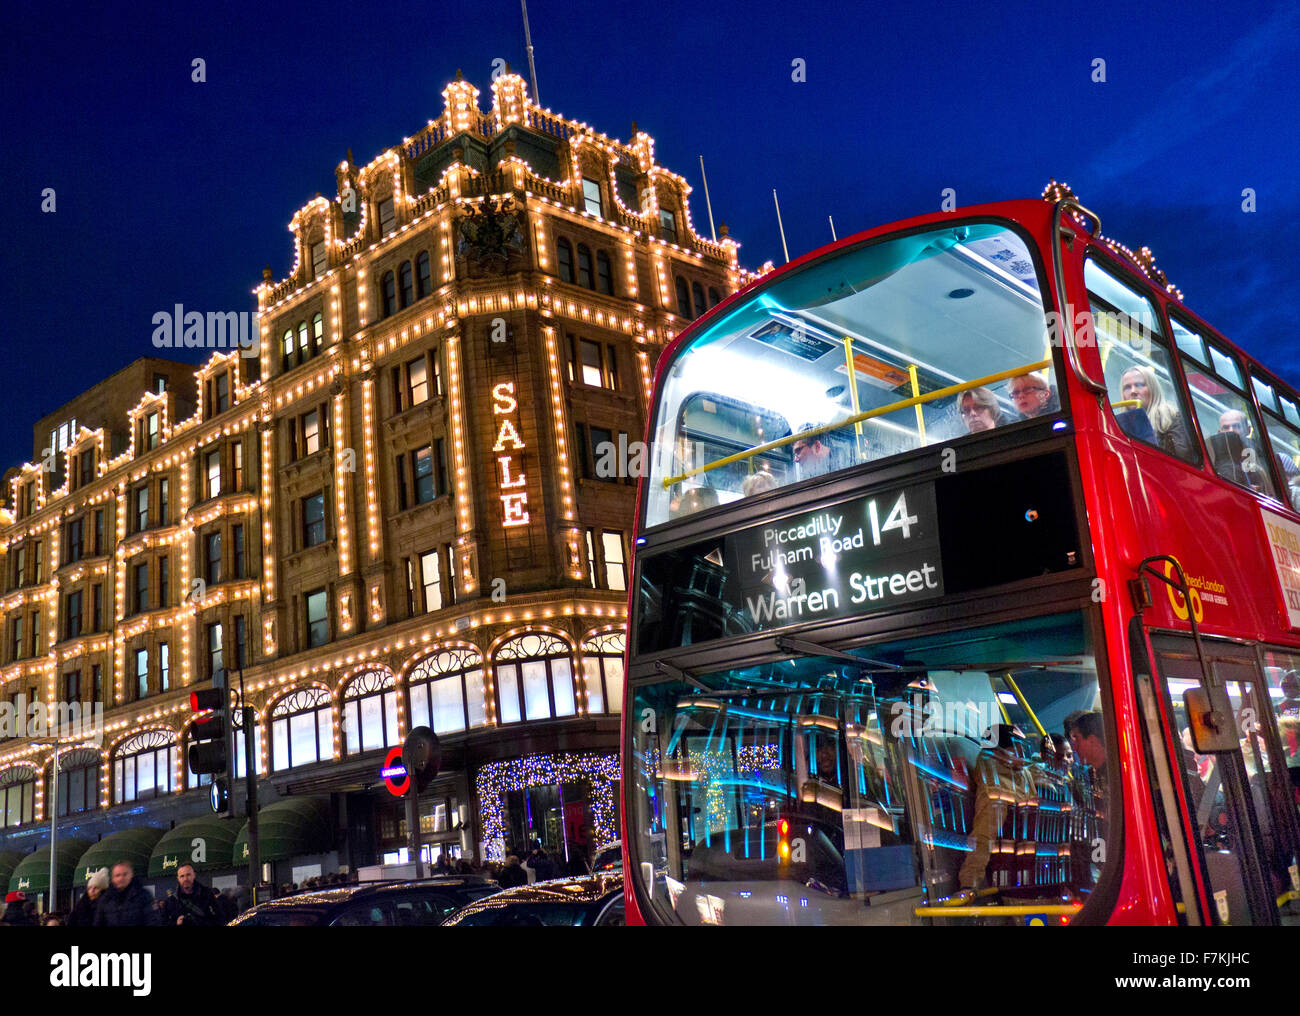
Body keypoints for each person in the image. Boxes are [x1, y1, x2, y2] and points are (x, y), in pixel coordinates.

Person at [1119, 366, 1193, 458]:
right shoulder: (1119, 424)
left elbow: (1181, 455)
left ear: (1152, 388)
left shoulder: (1171, 417)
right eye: (1127, 387)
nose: (1133, 391)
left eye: (1139, 385)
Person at [94, 861, 161, 926]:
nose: (121, 878)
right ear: (113, 878)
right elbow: (99, 922)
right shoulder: (106, 899)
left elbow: (153, 920)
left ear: (131, 875)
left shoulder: (143, 895)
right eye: (117, 875)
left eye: (125, 874)